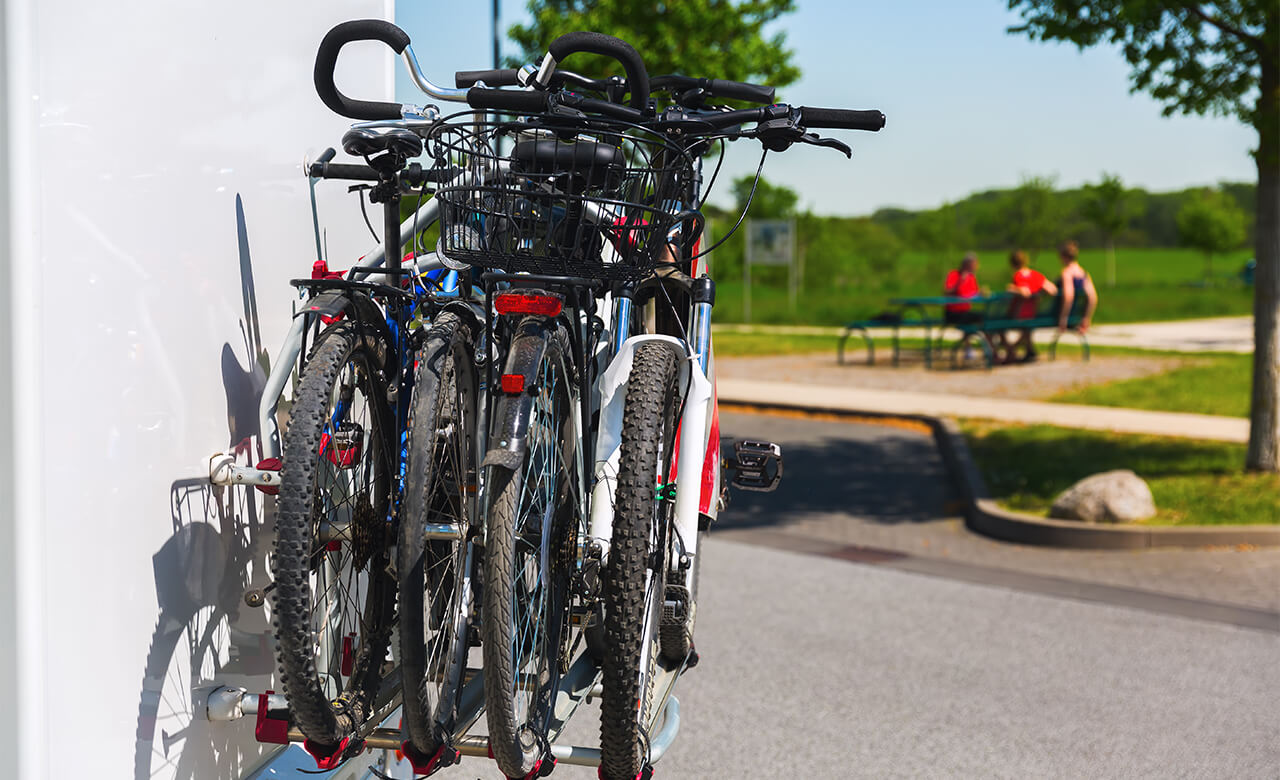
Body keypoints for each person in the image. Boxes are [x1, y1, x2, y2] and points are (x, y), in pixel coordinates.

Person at [1000, 250, 1057, 362]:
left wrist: (1012, 288)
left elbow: (1025, 292)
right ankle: (1029, 350)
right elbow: (1053, 290)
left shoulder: (1018, 276)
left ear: (1012, 264)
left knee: (998, 325)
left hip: (1019, 314)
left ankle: (1011, 350)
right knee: (1027, 328)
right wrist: (1039, 295)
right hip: (1033, 313)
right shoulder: (1035, 275)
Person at [1055, 240, 1098, 333]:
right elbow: (1092, 298)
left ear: (1063, 257)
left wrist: (1064, 318)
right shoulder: (1083, 273)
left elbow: (1068, 296)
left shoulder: (1067, 273)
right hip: (1077, 314)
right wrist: (1086, 318)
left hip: (1061, 314)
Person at [943, 252, 983, 325]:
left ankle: (967, 336)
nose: (976, 267)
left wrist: (981, 293)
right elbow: (946, 292)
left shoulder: (971, 277)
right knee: (982, 317)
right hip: (953, 313)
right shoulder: (953, 274)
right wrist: (959, 282)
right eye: (974, 265)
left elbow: (973, 294)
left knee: (985, 317)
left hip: (965, 311)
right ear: (966, 264)